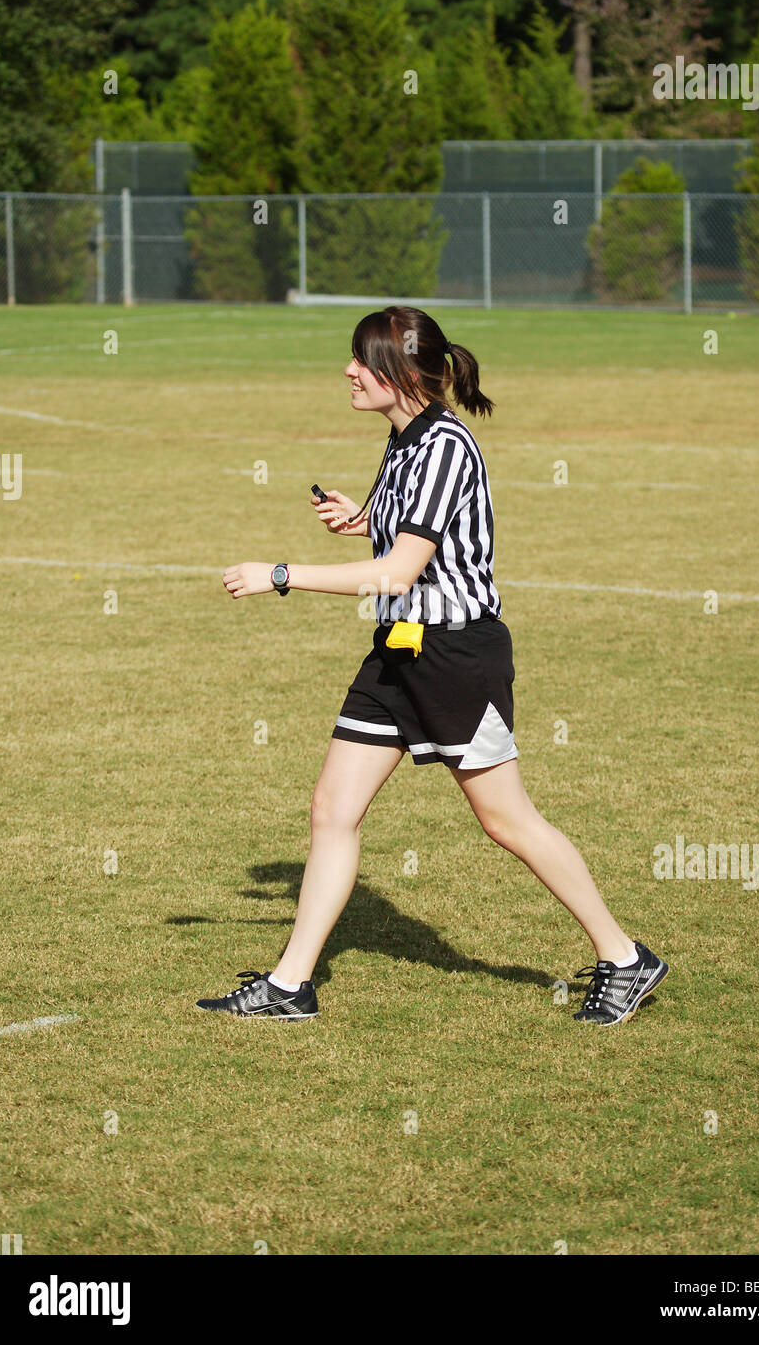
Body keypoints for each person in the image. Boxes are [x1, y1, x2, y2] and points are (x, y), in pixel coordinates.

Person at [197, 306, 668, 1026]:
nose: (349, 372)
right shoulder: (405, 439)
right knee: (332, 809)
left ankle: (626, 958)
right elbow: (409, 534)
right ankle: (291, 985)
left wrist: (281, 573)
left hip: (453, 656)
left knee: (506, 821)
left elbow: (398, 571)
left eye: (363, 360)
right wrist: (363, 517)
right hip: (399, 651)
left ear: (405, 373)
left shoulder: (445, 444)